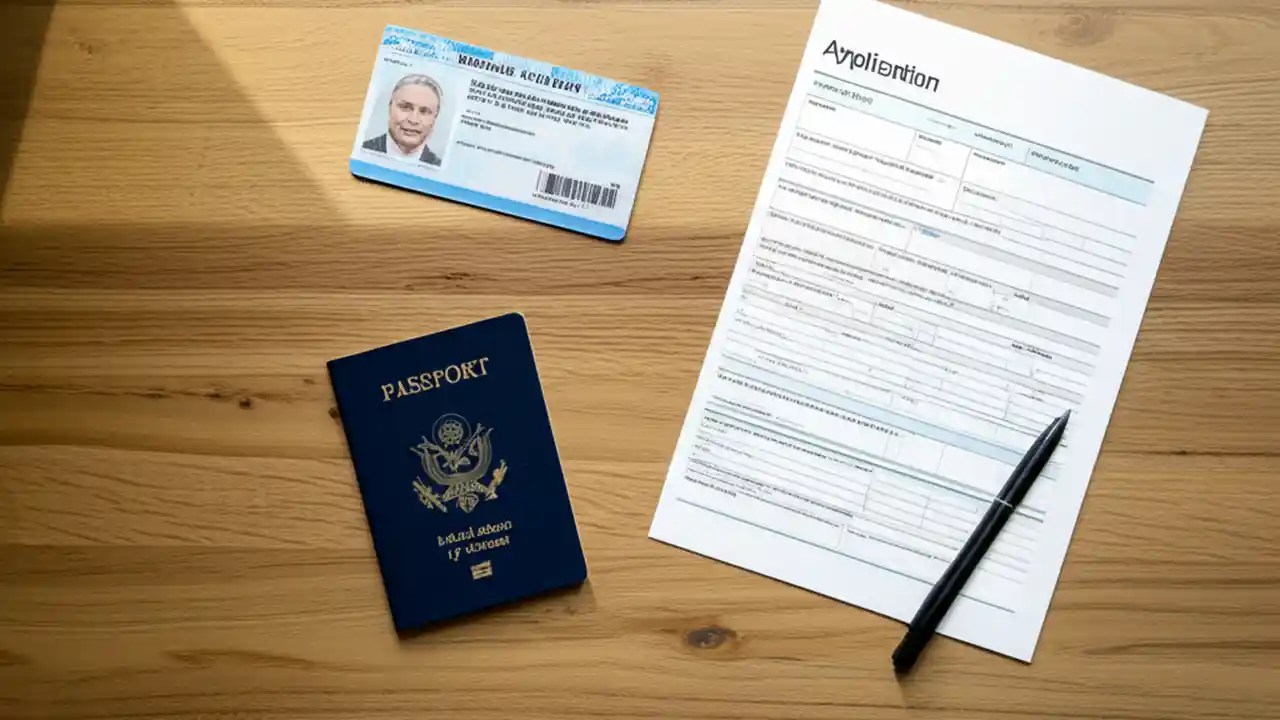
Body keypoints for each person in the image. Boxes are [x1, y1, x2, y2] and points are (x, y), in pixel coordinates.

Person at [364, 74, 444, 166]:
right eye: (405, 107)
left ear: (434, 119)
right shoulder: (363, 151)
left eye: (424, 111)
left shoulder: (438, 168)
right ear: (390, 107)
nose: (413, 120)